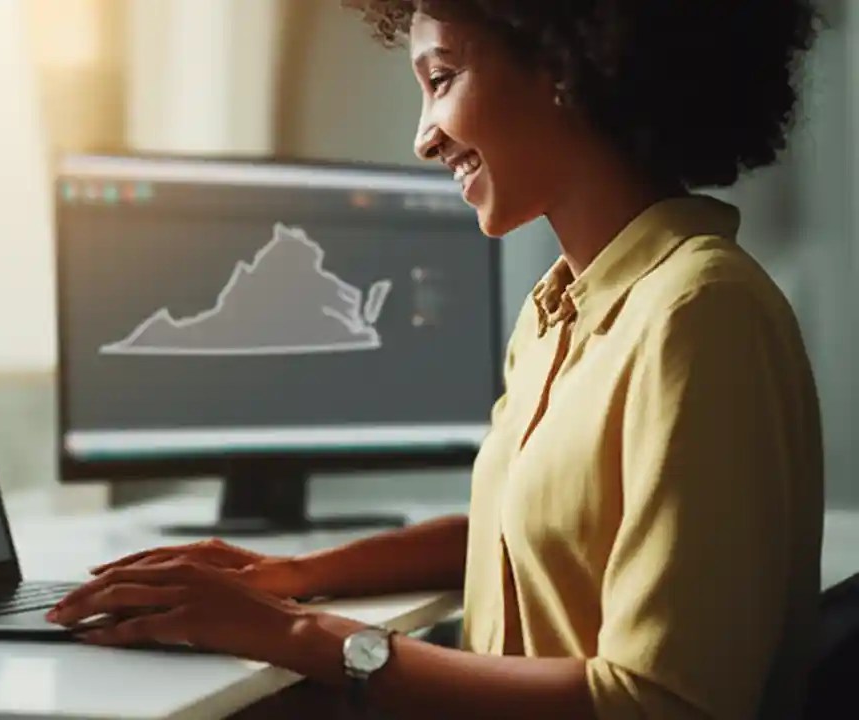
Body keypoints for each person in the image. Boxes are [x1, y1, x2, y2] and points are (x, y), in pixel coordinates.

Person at [47, 1, 825, 717]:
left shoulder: (697, 312)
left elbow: (658, 702)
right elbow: (520, 526)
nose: (424, 136)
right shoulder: (559, 312)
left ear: (563, 61)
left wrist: (299, 637)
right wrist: (293, 579)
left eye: (442, 78)